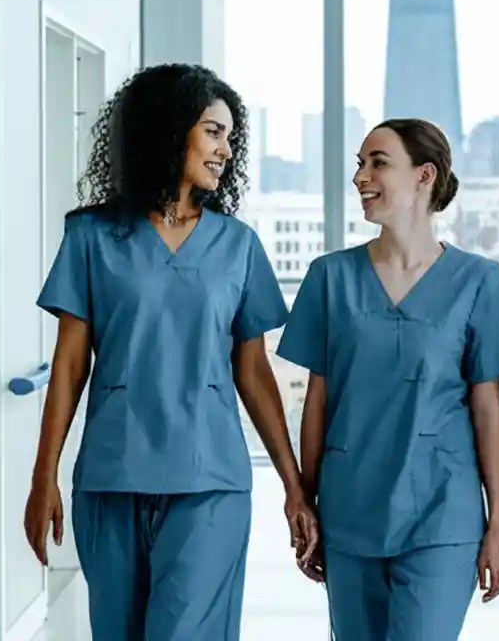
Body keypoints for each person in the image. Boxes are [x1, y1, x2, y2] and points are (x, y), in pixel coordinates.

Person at [23, 63, 319, 640]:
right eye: (214, 131)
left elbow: (253, 371)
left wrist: (294, 484)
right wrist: (43, 477)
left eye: (230, 136)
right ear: (169, 128)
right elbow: (68, 367)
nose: (226, 150)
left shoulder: (237, 245)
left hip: (209, 479)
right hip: (112, 474)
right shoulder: (91, 237)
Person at [276, 118, 499, 640]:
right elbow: (317, 401)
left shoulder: (479, 282)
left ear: (424, 176)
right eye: (359, 165)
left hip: (443, 515)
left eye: (377, 163)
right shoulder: (330, 278)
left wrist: (498, 525)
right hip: (350, 511)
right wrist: (307, 499)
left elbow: (488, 410)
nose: (361, 177)